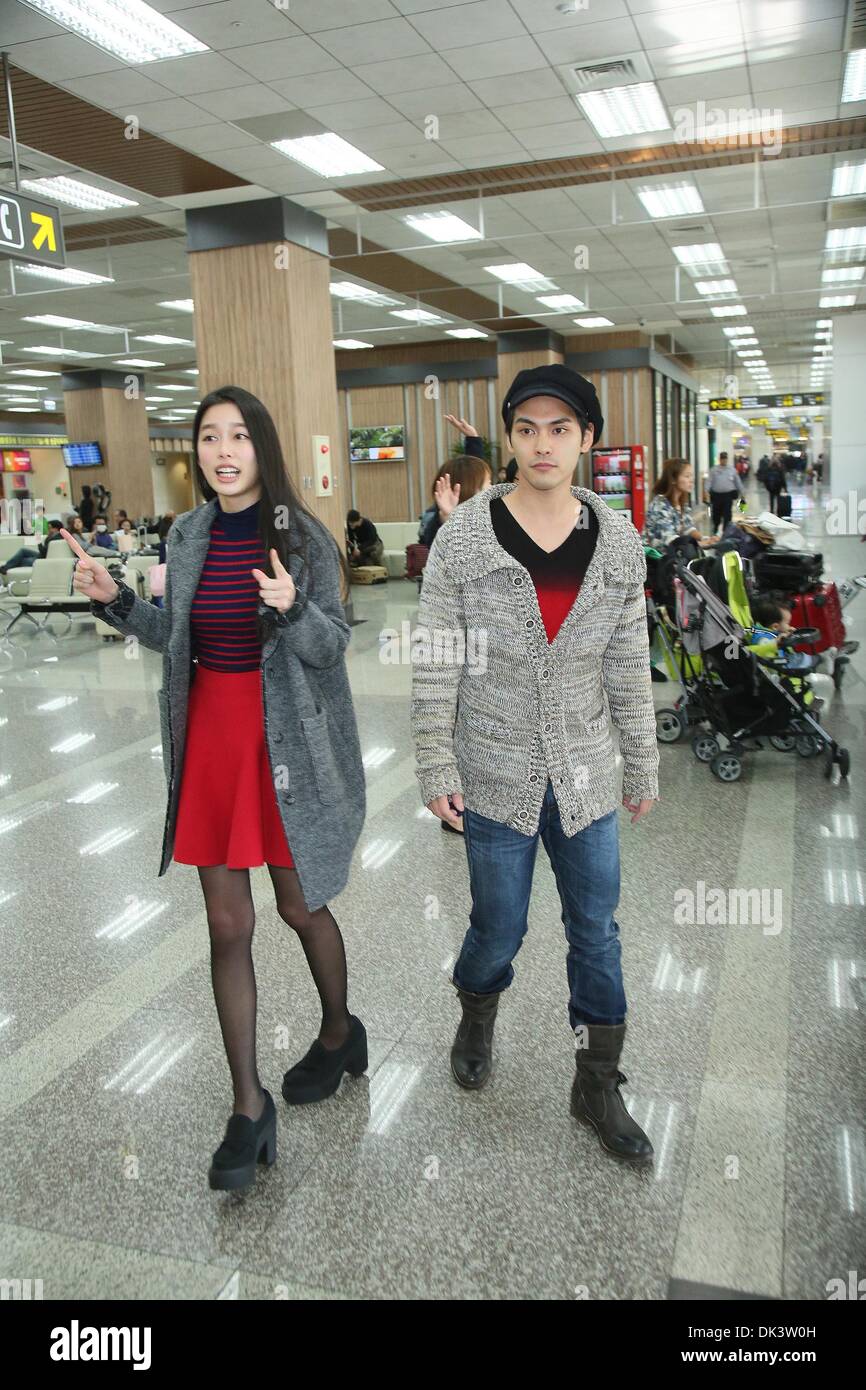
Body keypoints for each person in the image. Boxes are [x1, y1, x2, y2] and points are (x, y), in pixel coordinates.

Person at [62, 384, 367, 1194]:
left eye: (237, 436)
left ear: (261, 447)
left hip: (285, 744)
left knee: (300, 906)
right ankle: (247, 1106)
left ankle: (341, 1033)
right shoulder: (189, 532)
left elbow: (331, 647)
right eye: (208, 438)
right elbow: (178, 640)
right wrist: (120, 602)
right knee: (227, 926)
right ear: (197, 453)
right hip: (211, 742)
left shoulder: (303, 538)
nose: (222, 451)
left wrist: (295, 606)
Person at [411, 362, 659, 1164]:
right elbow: (436, 660)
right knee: (499, 926)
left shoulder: (618, 542)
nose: (543, 445)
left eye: (560, 429)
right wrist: (433, 761)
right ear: (510, 438)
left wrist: (643, 765)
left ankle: (597, 1080)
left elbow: (627, 663)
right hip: (492, 771)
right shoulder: (465, 539)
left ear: (586, 438)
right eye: (527, 429)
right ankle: (476, 1009)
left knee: (597, 933)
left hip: (586, 775)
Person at [750, 595, 814, 672]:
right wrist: (777, 642)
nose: (789, 626)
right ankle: (819, 660)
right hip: (775, 667)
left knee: (801, 657)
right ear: (775, 626)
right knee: (802, 659)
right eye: (787, 623)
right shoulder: (762, 637)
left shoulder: (774, 634)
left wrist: (790, 636)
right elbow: (764, 650)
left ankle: (819, 659)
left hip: (783, 662)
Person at [705, 451, 744, 534]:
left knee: (727, 514)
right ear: (720, 459)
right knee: (716, 513)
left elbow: (737, 482)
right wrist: (706, 491)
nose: (724, 460)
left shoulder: (732, 470)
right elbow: (709, 481)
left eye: (725, 459)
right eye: (722, 459)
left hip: (728, 496)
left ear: (727, 459)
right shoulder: (714, 470)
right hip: (716, 496)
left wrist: (742, 492)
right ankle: (715, 528)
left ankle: (726, 531)